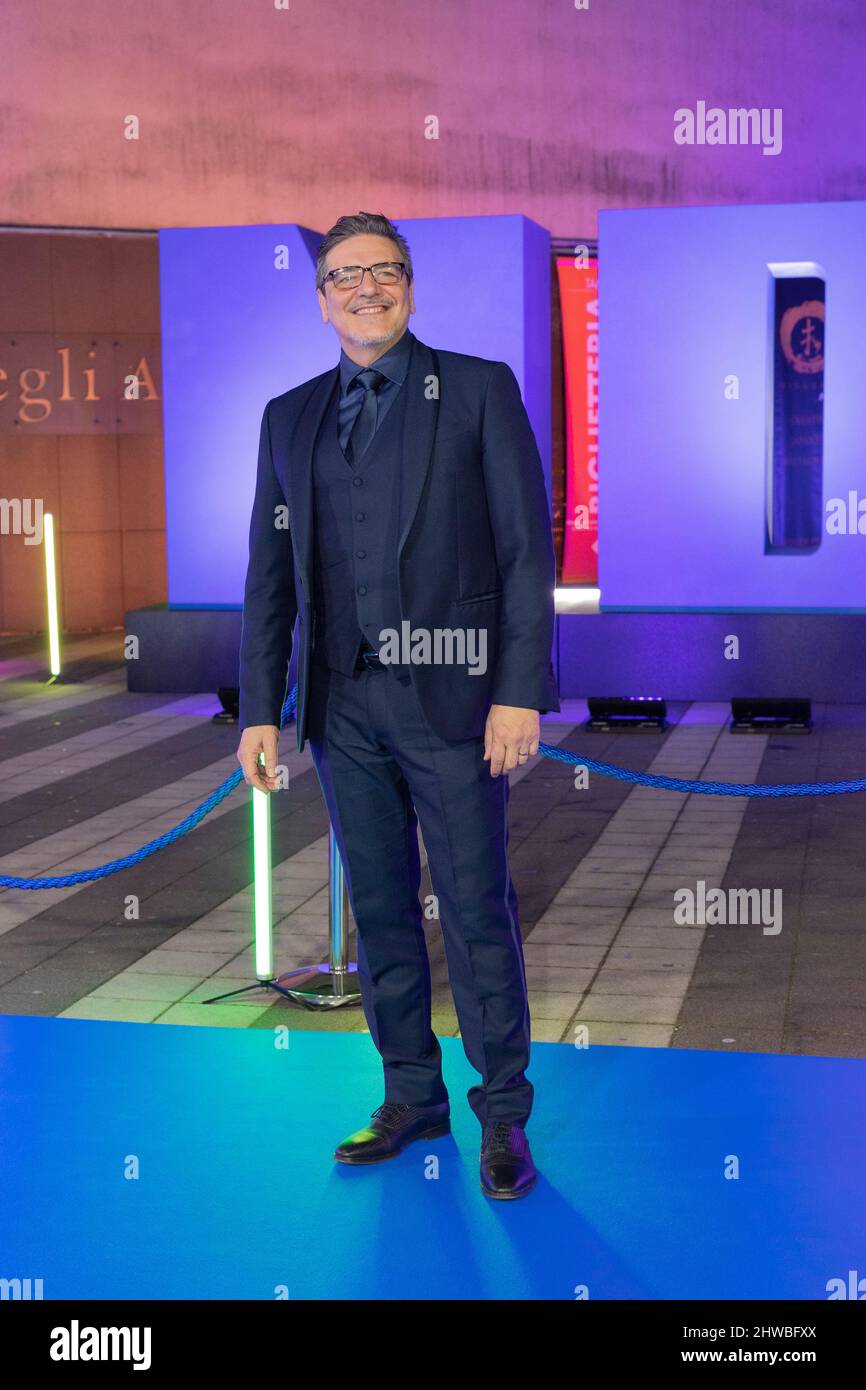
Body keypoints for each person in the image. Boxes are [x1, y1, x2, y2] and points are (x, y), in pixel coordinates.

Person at [237, 211, 559, 1199]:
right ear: (322, 295)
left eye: (381, 271)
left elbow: (519, 551)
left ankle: (500, 1114)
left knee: (472, 911)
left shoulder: (473, 390)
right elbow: (268, 577)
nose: (362, 288)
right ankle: (409, 1093)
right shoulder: (287, 416)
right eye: (343, 275)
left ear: (409, 286)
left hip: (454, 702)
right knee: (379, 911)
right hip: (342, 711)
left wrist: (517, 692)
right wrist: (261, 708)